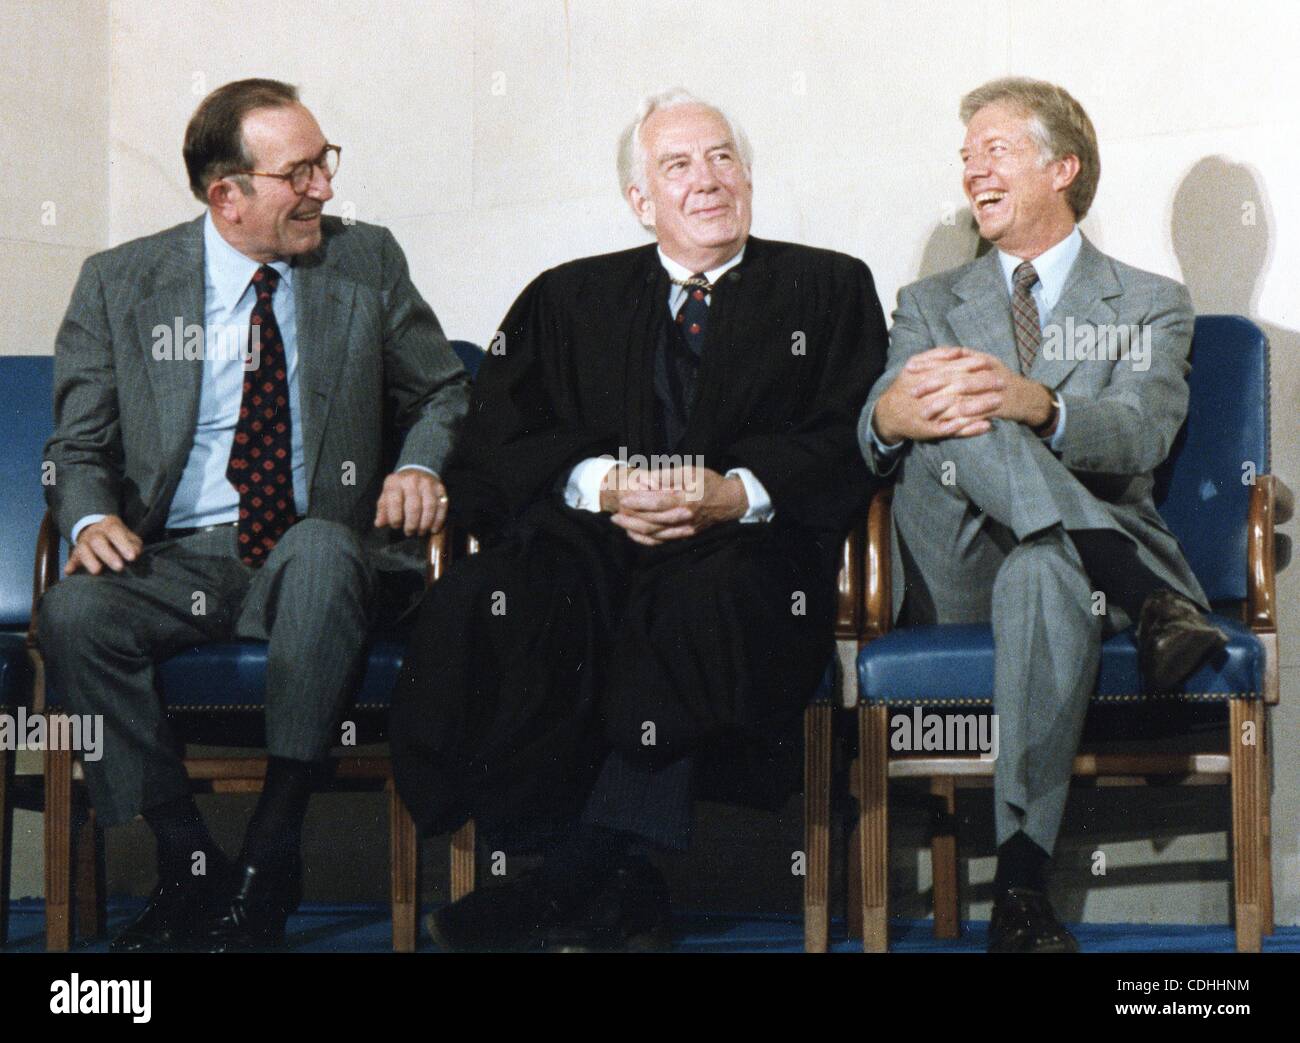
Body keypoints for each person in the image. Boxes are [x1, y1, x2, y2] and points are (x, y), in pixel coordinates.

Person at [391, 88, 888, 951]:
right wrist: (603, 483)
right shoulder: (567, 297)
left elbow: (858, 432)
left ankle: (572, 878)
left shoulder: (828, 287)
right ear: (639, 199)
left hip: (750, 549)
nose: (708, 179)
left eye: (723, 157)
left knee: (700, 605)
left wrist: (739, 491)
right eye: (679, 164)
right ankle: (621, 885)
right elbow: (497, 441)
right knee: (504, 594)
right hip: (591, 540)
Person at [37, 78, 469, 952]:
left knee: (314, 551)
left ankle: (272, 854)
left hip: (324, 548)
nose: (323, 189)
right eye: (299, 172)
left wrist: (420, 462)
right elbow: (77, 448)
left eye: (324, 163)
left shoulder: (364, 260)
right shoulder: (121, 284)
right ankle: (189, 864)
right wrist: (87, 520)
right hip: (180, 555)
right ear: (225, 196)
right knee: (73, 609)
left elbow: (443, 387)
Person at [857, 77, 1227, 953]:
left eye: (995, 150)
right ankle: (1139, 582)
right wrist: (890, 414)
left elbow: (1141, 432)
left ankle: (1021, 887)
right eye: (966, 157)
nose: (972, 171)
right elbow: (872, 423)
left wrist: (1040, 403)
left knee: (1041, 562)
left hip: (1048, 586)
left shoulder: (1149, 302)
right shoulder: (928, 302)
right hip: (953, 560)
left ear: (1063, 167)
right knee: (961, 400)